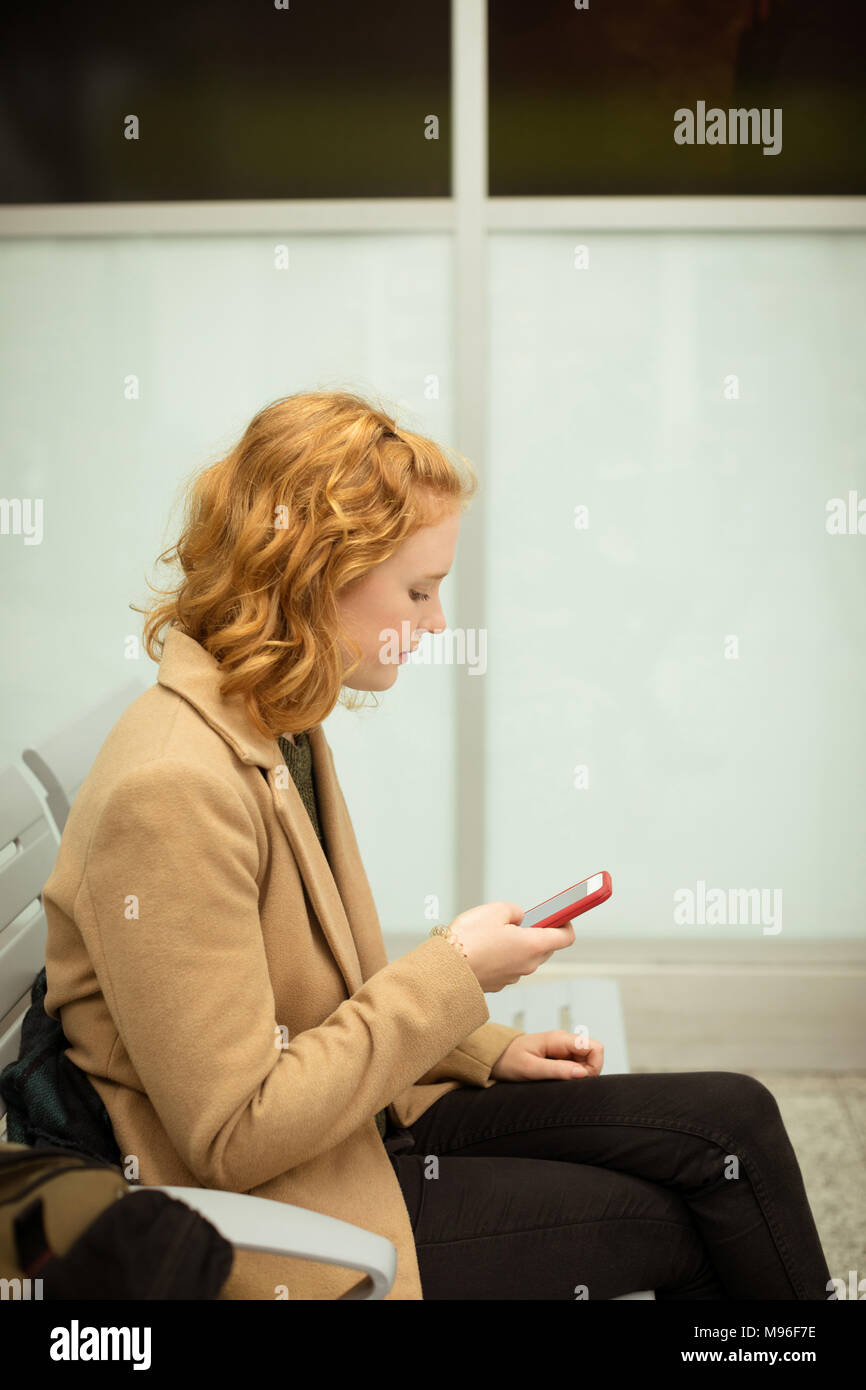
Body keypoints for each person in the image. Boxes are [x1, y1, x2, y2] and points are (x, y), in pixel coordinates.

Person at [32, 390, 831, 1300]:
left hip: (357, 1129)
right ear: (314, 573)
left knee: (734, 1124)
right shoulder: (172, 790)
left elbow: (306, 1001)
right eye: (419, 590)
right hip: (299, 1204)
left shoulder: (274, 719)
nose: (439, 623)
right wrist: (455, 972)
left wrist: (476, 1045)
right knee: (686, 1216)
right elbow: (235, 1134)